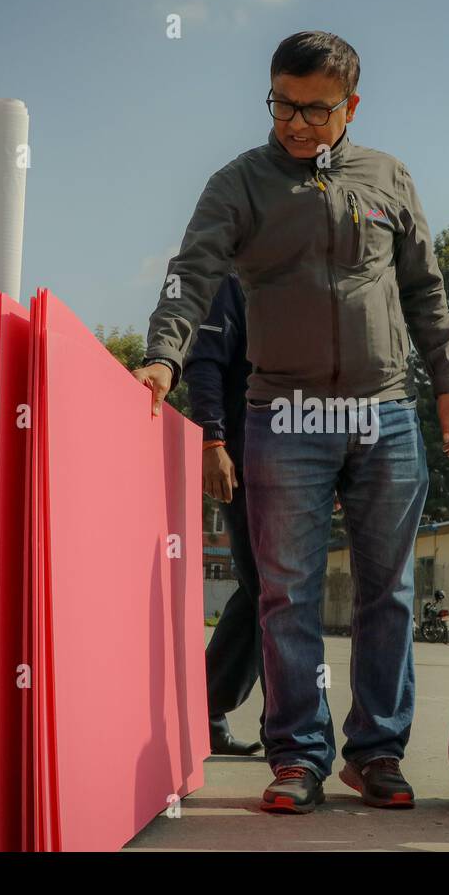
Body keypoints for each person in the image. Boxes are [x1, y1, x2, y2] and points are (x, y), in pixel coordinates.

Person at [133, 32, 449, 814]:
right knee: (286, 594)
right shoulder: (240, 184)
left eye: (313, 110)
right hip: (281, 416)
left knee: (388, 591)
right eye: (281, 104)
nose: (293, 123)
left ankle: (378, 752)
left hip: (384, 412)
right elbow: (192, 276)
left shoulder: (388, 177)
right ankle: (298, 757)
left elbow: (426, 289)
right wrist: (164, 358)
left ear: (351, 106)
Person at [185, 274, 267, 757]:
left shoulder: (288, 271)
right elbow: (206, 364)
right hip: (241, 458)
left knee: (269, 590)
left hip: (295, 458)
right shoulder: (231, 280)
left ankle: (208, 709)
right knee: (268, 588)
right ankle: (212, 710)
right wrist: (213, 441)